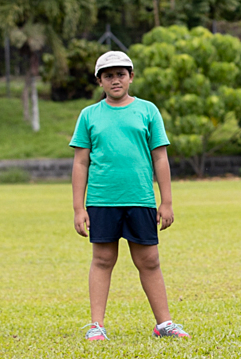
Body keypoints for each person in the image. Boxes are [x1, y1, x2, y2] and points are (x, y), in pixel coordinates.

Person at [70, 51, 190, 341]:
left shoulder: (148, 111)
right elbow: (80, 162)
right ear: (100, 81)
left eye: (121, 74)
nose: (115, 80)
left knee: (149, 260)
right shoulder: (89, 115)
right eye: (108, 75)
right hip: (102, 200)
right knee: (102, 259)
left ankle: (164, 324)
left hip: (140, 199)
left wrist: (167, 201)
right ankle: (96, 325)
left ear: (131, 77)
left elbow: (160, 158)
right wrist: (78, 208)